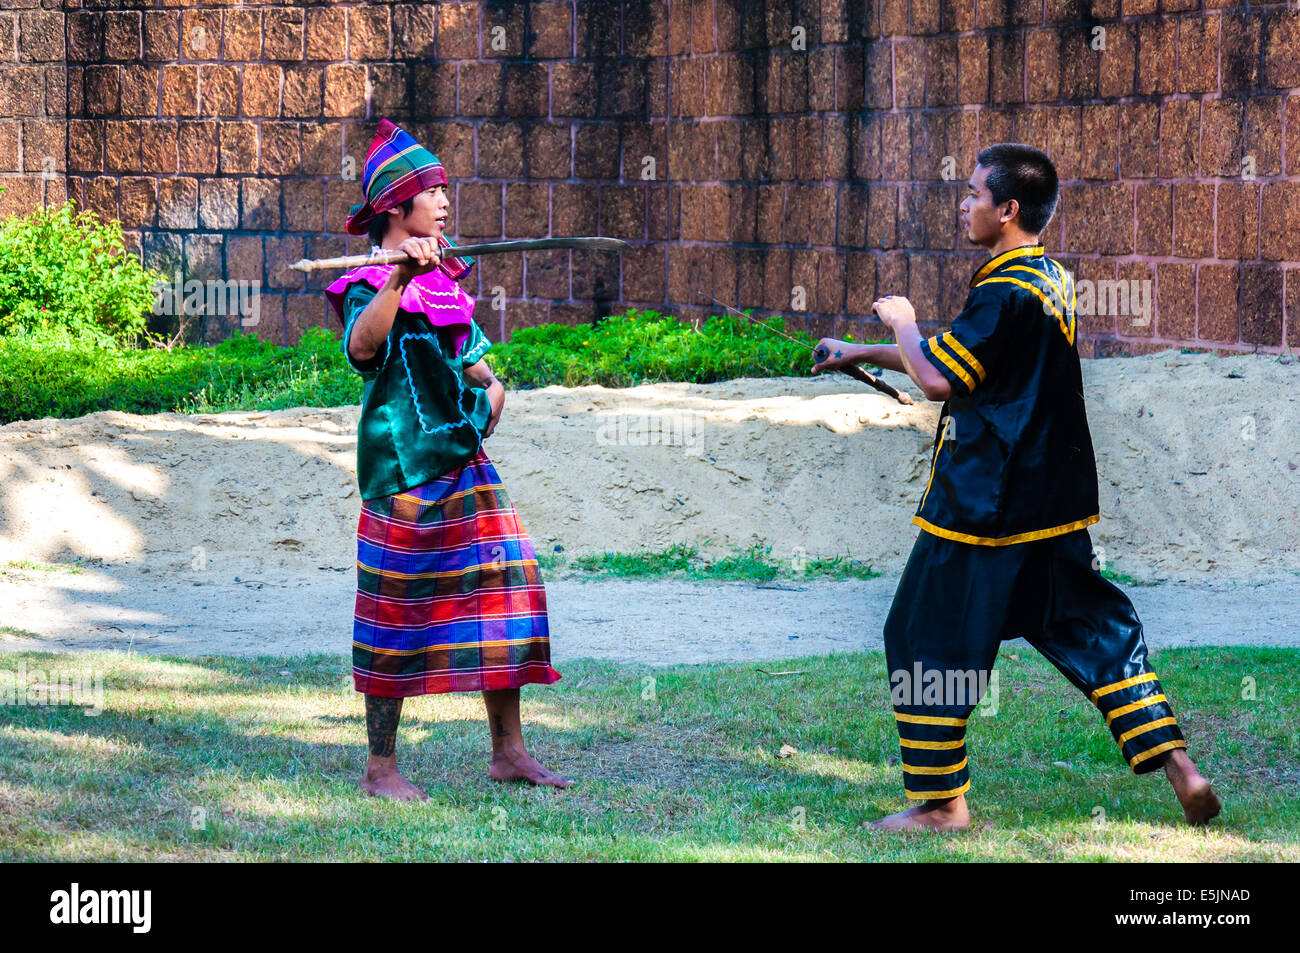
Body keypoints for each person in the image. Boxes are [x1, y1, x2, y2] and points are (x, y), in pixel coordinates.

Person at [813, 143, 1219, 831]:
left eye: (973, 194)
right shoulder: (1051, 281)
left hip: (983, 509)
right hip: (1050, 507)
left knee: (919, 635)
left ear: (1007, 209)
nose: (963, 204)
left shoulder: (1001, 288)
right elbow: (971, 360)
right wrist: (862, 352)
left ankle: (942, 805)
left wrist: (902, 320)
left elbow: (940, 377)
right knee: (1093, 628)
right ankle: (1182, 768)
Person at [324, 119, 570, 800]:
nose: (444, 201)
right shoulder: (365, 282)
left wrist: (493, 385)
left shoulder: (446, 279)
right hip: (401, 472)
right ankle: (380, 769)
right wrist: (398, 278)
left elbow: (468, 358)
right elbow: (363, 350)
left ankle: (509, 751)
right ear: (398, 208)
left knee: (510, 590)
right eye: (432, 191)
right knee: (392, 614)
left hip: (464, 462)